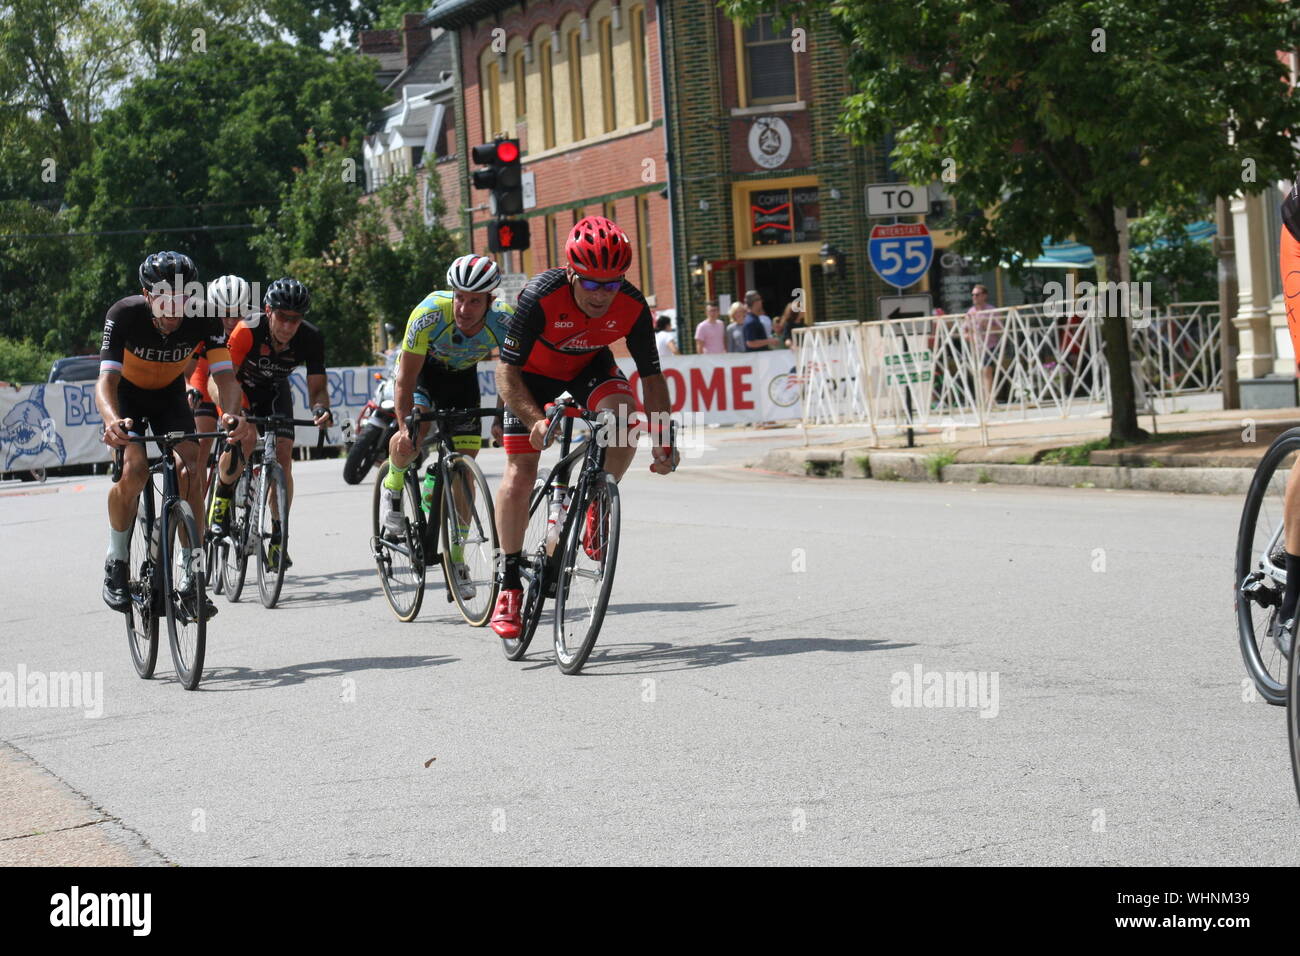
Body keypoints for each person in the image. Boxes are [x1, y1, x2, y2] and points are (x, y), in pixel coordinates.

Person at [490, 215, 678, 638]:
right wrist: (535, 421)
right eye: (592, 283)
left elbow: (651, 377)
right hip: (530, 379)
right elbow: (506, 372)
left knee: (625, 420)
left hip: (586, 367)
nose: (601, 294)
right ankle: (508, 586)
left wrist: (665, 438)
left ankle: (597, 498)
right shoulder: (541, 296)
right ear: (572, 273)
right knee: (519, 475)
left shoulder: (631, 305)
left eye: (611, 284)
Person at [97, 251, 254, 615]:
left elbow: (225, 378)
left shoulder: (205, 318)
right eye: (164, 298)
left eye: (182, 298)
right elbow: (106, 381)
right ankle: (116, 560)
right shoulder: (124, 314)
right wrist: (111, 421)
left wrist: (232, 414)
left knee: (192, 471)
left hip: (169, 396)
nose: (173, 308)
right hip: (127, 398)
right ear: (147, 294)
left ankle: (191, 576)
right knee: (134, 470)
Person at [379, 254, 512, 599]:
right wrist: (406, 428)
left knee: (464, 472)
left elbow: (513, 374)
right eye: (460, 297)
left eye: (474, 301)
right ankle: (393, 487)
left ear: (490, 301)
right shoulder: (429, 313)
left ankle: (456, 560)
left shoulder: (503, 321)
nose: (464, 308)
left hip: (462, 380)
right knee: (413, 437)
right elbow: (405, 380)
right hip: (423, 375)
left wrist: (501, 416)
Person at [206, 277, 332, 572]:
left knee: (284, 457)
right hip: (240, 389)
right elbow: (220, 379)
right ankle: (222, 495)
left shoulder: (311, 338)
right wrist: (231, 414)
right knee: (246, 436)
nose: (288, 326)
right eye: (283, 317)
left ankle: (278, 538)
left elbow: (317, 387)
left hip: (275, 391)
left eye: (296, 319)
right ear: (268, 311)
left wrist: (321, 408)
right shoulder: (248, 329)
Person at [188, 274, 252, 493]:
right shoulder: (203, 325)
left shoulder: (250, 328)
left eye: (237, 314)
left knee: (246, 428)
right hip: (205, 377)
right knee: (203, 438)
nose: (231, 321)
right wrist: (193, 391)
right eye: (224, 315)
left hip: (233, 382)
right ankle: (196, 497)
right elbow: (195, 373)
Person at [964, 284, 1003, 400]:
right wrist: (969, 337)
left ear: (984, 296)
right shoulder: (970, 312)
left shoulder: (991, 310)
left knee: (987, 370)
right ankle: (983, 398)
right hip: (976, 347)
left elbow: (1001, 329)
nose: (974, 297)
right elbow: (964, 330)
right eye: (973, 295)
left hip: (989, 345)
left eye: (977, 294)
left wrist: (986, 325)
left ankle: (989, 398)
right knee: (977, 372)